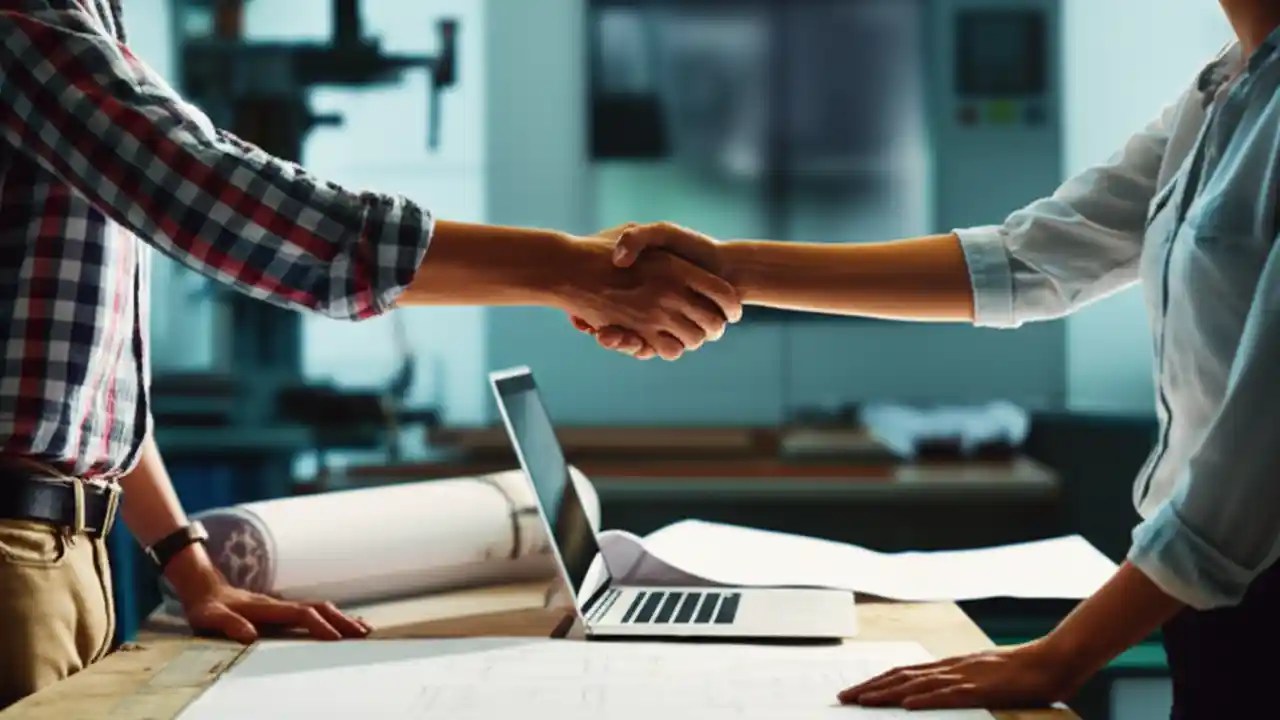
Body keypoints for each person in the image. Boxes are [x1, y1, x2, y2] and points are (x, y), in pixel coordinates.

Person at [0, 1, 740, 708]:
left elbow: (95, 382)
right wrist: (569, 270)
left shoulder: (88, 13)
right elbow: (209, 192)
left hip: (68, 551)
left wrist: (190, 565)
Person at [581, 1, 1280, 716]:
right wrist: (729, 269)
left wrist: (1057, 659)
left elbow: (1252, 473)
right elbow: (1024, 258)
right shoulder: (1221, 88)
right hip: (1199, 605)